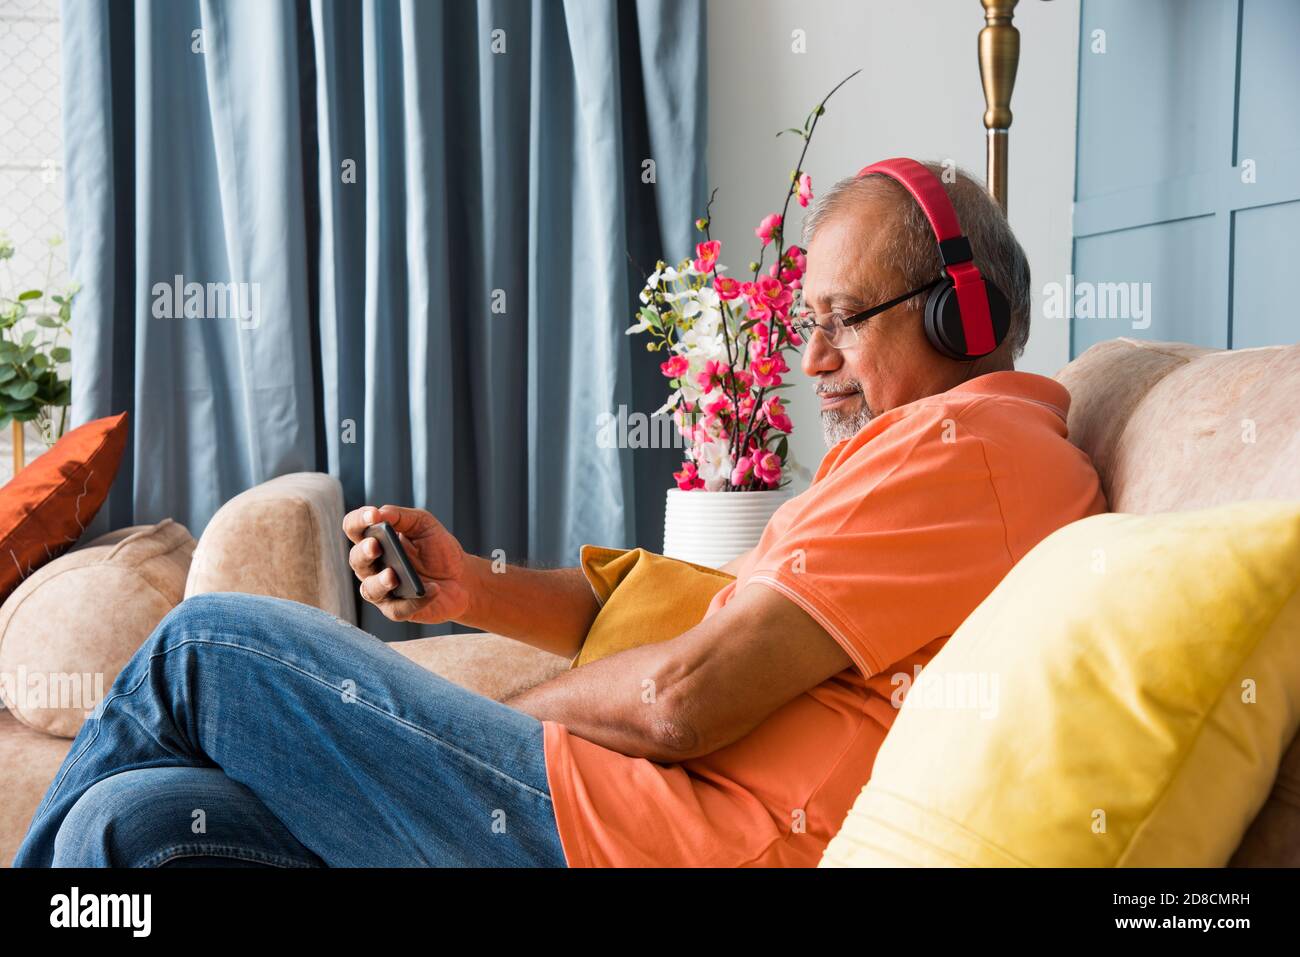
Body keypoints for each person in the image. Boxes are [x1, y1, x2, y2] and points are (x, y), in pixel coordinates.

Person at [15, 161, 1106, 868]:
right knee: (135, 830)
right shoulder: (935, 463)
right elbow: (696, 614)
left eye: (842, 321)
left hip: (656, 836)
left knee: (213, 644)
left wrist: (472, 727)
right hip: (627, 808)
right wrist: (472, 593)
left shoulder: (963, 447)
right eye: (803, 324)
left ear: (960, 313)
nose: (811, 361)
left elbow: (684, 696)